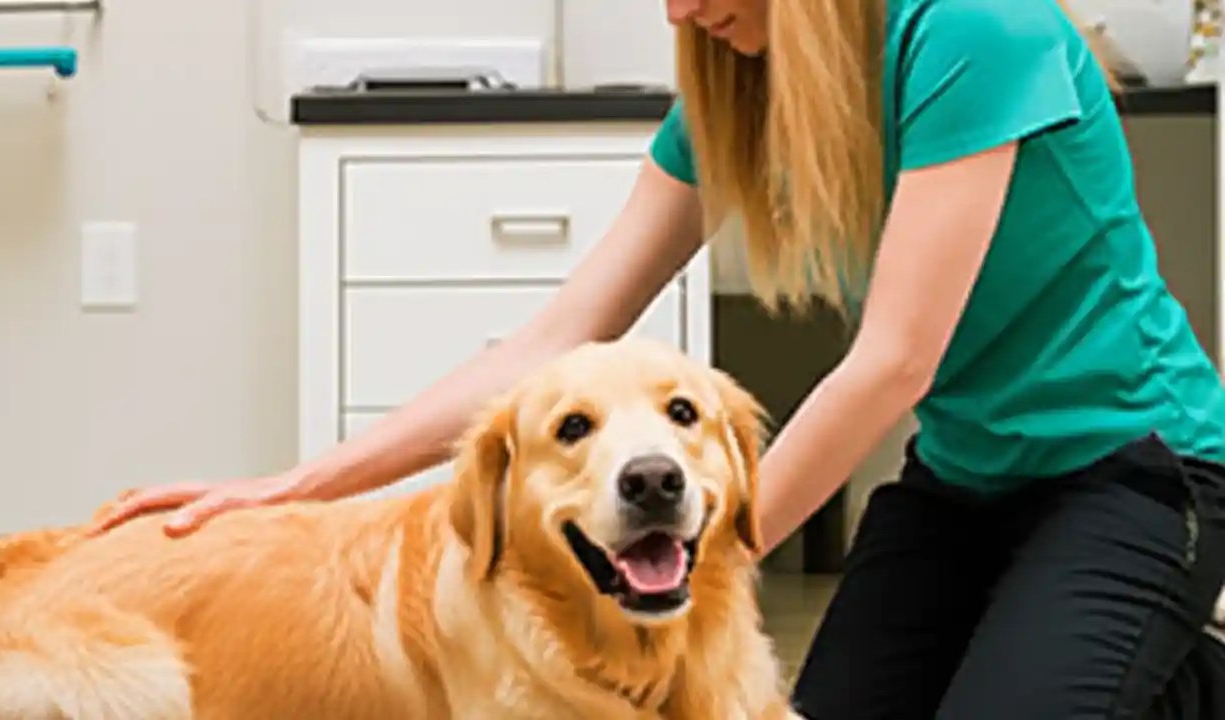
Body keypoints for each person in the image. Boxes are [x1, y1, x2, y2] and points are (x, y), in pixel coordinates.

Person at [96, 0, 1225, 716]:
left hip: (1134, 471)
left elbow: (890, 363)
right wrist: (292, 484)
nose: (678, 8)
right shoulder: (743, 87)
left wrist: (704, 563)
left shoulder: (975, 28)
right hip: (966, 484)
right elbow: (551, 342)